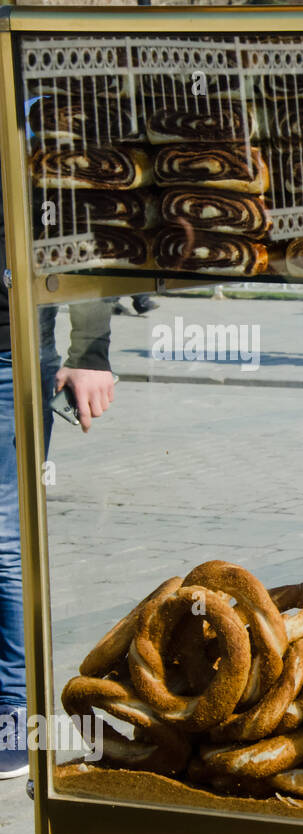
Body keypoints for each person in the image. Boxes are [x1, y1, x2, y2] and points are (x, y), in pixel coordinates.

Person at [0, 201, 115, 778]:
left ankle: (12, 719)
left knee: (3, 539)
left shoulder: (28, 122)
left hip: (9, 351)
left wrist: (89, 351)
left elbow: (78, 233)